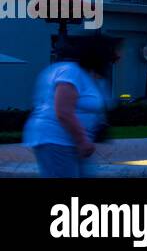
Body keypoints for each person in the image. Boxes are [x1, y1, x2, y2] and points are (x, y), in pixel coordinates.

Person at [23, 35, 120, 177]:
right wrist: (82, 140)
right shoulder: (71, 71)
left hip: (70, 141)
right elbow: (63, 111)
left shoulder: (85, 75)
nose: (117, 57)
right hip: (56, 140)